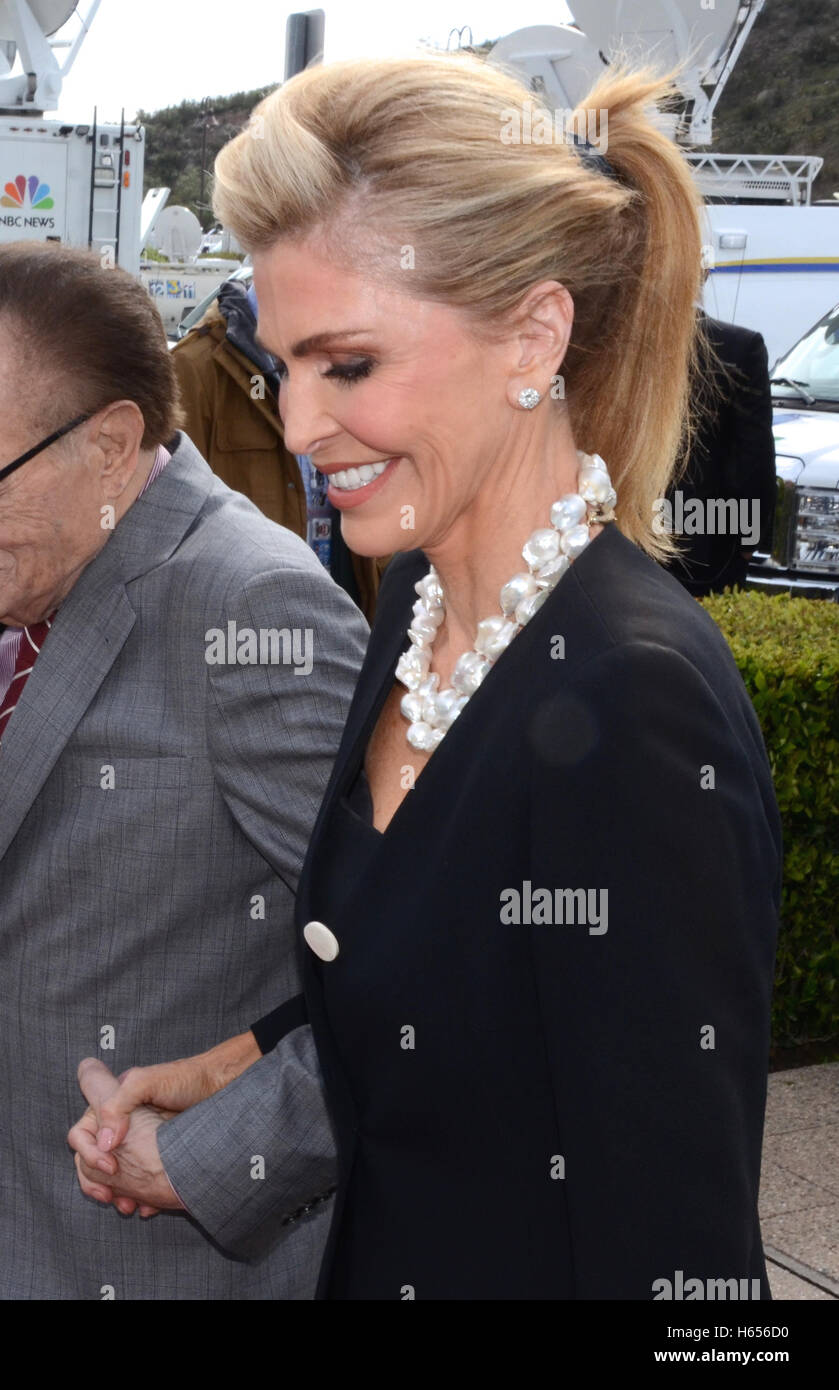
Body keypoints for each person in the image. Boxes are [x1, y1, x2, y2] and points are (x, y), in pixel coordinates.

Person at [69, 55, 782, 1300]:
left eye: (347, 365)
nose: (295, 429)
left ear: (533, 333)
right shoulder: (420, 602)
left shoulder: (631, 701)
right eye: (284, 362)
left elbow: (681, 1258)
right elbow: (443, 985)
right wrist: (226, 1068)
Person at [0, 239, 368, 1299]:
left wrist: (208, 1161)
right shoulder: (23, 581)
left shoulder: (251, 611)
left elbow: (419, 976)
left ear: (110, 444)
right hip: (12, 1242)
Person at [172, 272, 383, 619]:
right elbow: (168, 530)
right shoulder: (193, 370)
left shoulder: (366, 345)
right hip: (250, 637)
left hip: (351, 623)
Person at [661, 312, 778, 595]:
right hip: (707, 543)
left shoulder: (610, 338)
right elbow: (753, 457)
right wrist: (749, 541)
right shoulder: (737, 346)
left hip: (619, 535)